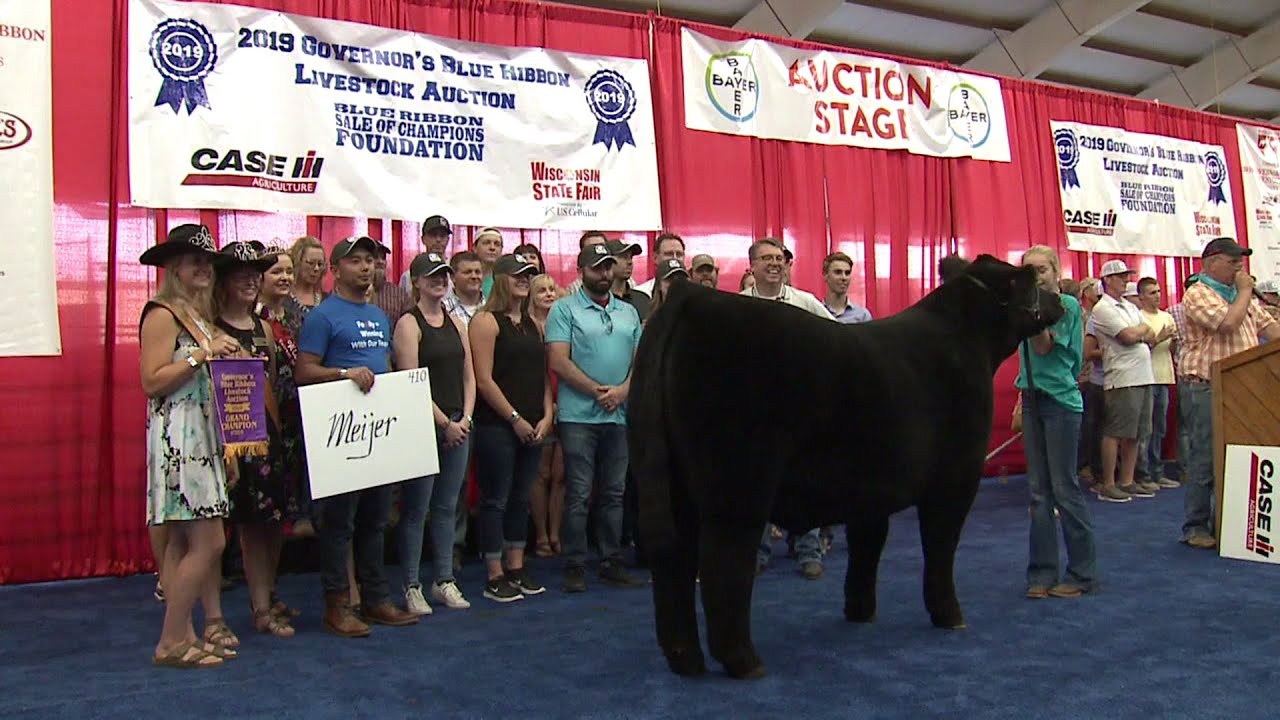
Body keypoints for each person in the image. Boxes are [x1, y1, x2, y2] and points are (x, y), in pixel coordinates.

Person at [296, 236, 419, 636]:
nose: (366, 268)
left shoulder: (379, 316)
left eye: (370, 260)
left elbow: (382, 364)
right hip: (340, 433)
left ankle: (376, 596)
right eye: (356, 261)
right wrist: (342, 374)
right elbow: (304, 372)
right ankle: (337, 603)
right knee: (339, 522)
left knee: (376, 518)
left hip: (377, 429)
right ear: (336, 269)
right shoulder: (323, 316)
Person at [139, 224, 242, 668]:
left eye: (207, 261)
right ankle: (169, 639)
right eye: (194, 260)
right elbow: (151, 381)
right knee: (210, 542)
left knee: (185, 544)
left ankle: (182, 633)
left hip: (202, 435)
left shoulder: (194, 316)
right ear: (173, 267)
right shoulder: (162, 313)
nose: (204, 268)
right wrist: (202, 353)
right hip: (179, 438)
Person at [212, 242, 298, 638]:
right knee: (243, 528)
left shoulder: (263, 329)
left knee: (273, 523)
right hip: (229, 440)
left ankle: (267, 596)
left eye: (254, 274)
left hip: (269, 435)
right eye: (240, 274)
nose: (249, 280)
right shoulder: (210, 328)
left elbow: (273, 385)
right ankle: (255, 608)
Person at [547, 244, 645, 591]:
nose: (603, 274)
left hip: (618, 413)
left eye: (607, 267)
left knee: (614, 492)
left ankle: (611, 560)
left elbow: (640, 362)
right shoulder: (564, 309)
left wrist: (622, 392)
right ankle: (575, 563)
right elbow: (558, 360)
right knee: (577, 492)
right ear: (581, 270)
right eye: (596, 268)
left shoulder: (629, 313)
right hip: (578, 415)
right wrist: (597, 391)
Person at [391, 252, 475, 614]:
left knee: (447, 505)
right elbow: (411, 381)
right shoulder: (408, 324)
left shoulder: (457, 323)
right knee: (417, 509)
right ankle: (411, 584)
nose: (440, 281)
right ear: (417, 282)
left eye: (444, 275)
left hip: (458, 423)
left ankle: (444, 580)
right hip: (425, 425)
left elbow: (469, 375)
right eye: (433, 276)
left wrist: (466, 418)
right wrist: (445, 422)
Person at [1016, 246, 1098, 599]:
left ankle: (1082, 573)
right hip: (1032, 398)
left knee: (1064, 488)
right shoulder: (1025, 307)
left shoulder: (1066, 309)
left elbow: (1044, 348)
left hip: (1061, 403)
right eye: (1029, 271)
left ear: (1054, 271)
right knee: (1038, 492)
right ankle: (1042, 574)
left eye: (1041, 270)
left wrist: (1034, 315)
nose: (1036, 277)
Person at [471, 254, 554, 601]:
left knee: (521, 497)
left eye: (529, 274)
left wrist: (548, 415)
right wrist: (515, 419)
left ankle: (517, 566)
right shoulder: (486, 321)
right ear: (502, 279)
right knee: (496, 499)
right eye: (518, 274)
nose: (525, 279)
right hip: (498, 426)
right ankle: (494, 573)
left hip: (535, 424)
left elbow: (543, 378)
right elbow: (484, 380)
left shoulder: (533, 325)